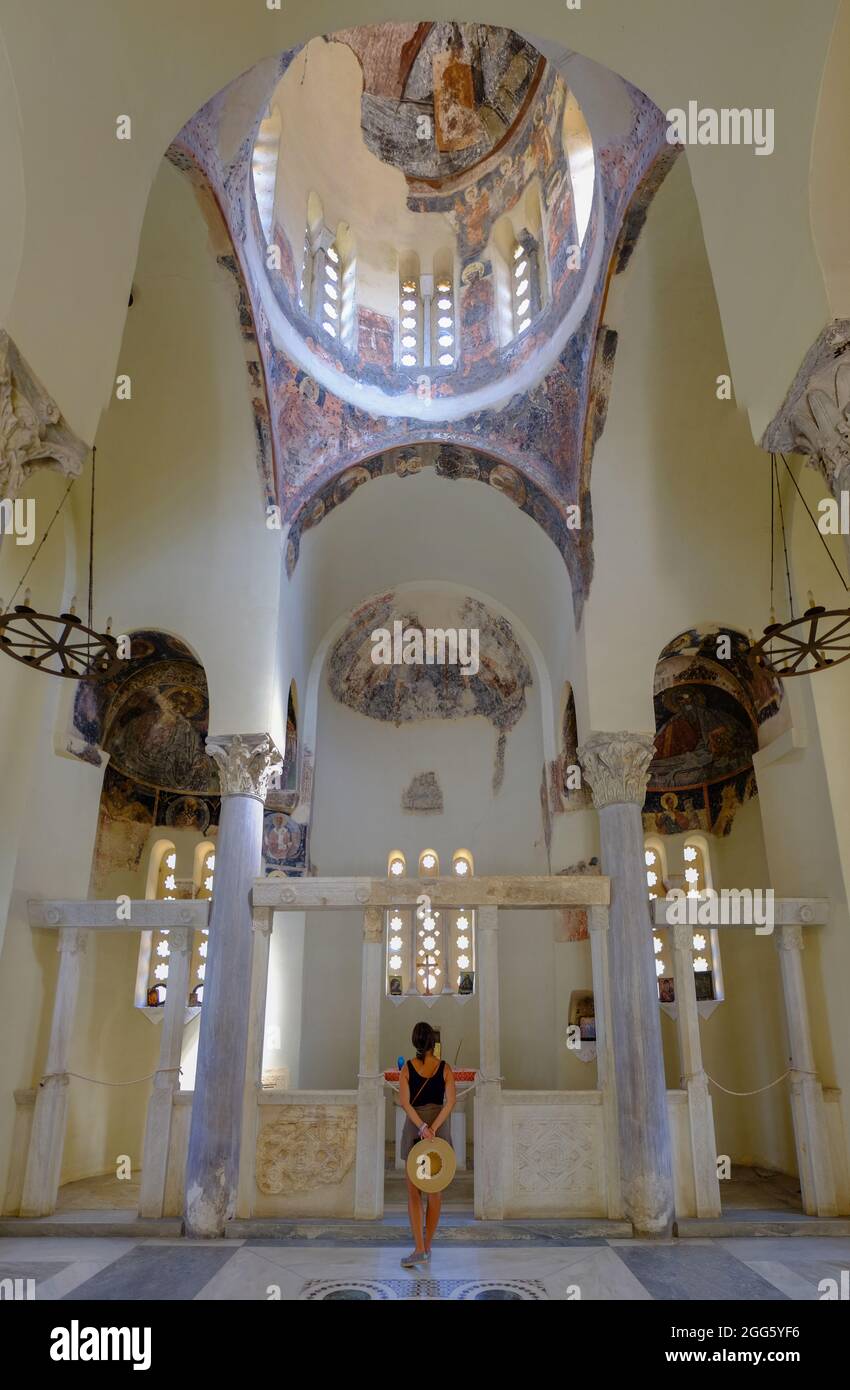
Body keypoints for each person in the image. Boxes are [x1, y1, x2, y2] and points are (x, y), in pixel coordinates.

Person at [398, 1021, 456, 1268]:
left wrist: (421, 1127)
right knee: (435, 1191)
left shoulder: (407, 1069)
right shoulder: (445, 1068)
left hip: (415, 1130)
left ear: (415, 1043)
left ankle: (419, 1248)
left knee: (414, 1192)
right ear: (434, 1043)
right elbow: (450, 1102)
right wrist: (433, 1128)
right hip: (438, 1131)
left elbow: (405, 1103)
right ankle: (428, 1246)